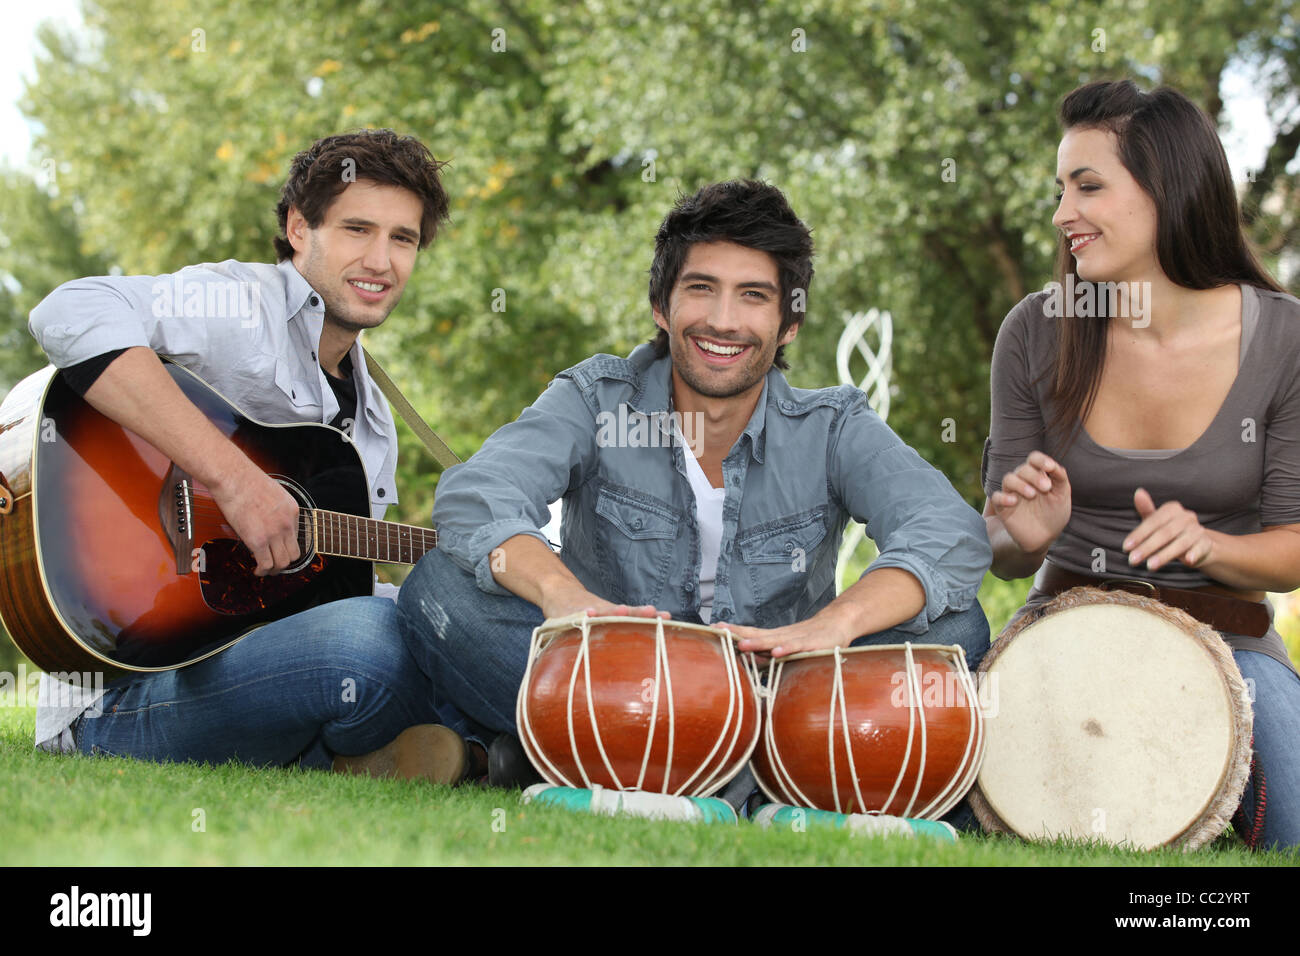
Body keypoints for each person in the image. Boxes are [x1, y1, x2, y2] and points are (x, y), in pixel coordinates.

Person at [397, 180, 992, 798]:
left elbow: (947, 530)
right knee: (438, 586)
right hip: (615, 678)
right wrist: (560, 595)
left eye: (754, 296)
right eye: (701, 288)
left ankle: (597, 763)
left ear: (789, 322)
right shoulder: (597, 398)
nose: (723, 321)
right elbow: (479, 495)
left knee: (958, 625)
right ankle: (743, 782)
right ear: (662, 306)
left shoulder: (834, 425)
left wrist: (838, 624)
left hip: (780, 693)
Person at [26, 129, 470, 783]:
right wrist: (233, 479)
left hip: (252, 657)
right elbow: (69, 310)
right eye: (356, 229)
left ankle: (397, 750)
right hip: (122, 688)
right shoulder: (239, 305)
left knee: (438, 632)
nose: (381, 259)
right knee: (371, 641)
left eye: (402, 239)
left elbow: (335, 585)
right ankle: (390, 748)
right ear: (298, 228)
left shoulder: (374, 419)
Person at [983, 79, 1300, 850]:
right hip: (1060, 631)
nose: (1064, 216)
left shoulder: (1286, 340)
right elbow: (1003, 556)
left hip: (1233, 648)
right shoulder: (1035, 332)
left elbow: (1291, 553)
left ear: (1169, 188)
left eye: (1088, 186)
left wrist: (1210, 546)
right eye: (1061, 189)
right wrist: (1023, 532)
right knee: (977, 815)